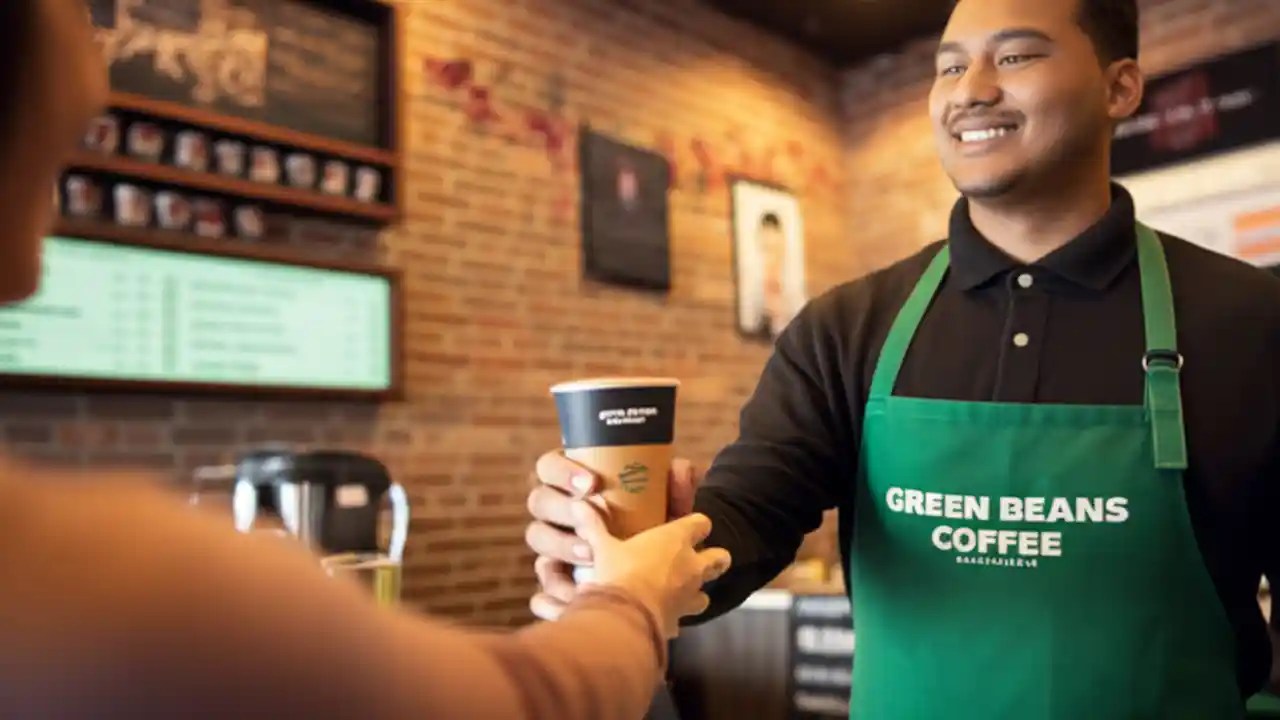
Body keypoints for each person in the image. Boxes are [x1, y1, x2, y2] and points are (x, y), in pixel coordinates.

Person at [527, 0, 1280, 716]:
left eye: (1014, 55)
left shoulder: (1249, 321)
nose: (971, 92)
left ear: (1120, 87)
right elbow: (750, 516)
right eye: (949, 68)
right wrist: (640, 547)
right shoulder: (848, 325)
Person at [0, 2, 731, 719]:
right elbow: (521, 703)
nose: (99, 55)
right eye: (77, 15)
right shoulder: (106, 582)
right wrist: (630, 600)